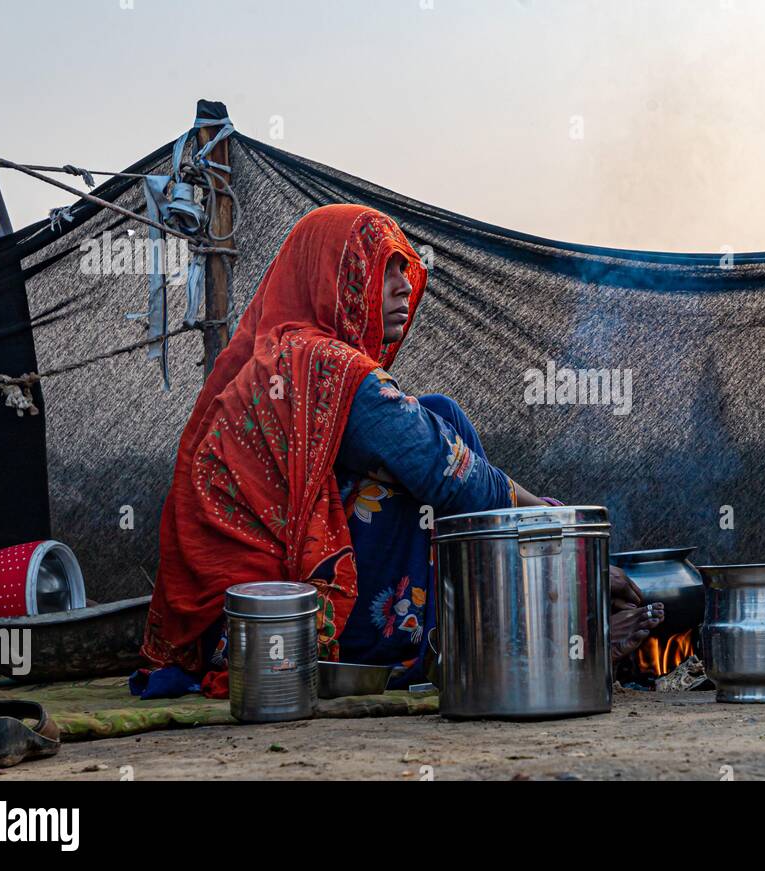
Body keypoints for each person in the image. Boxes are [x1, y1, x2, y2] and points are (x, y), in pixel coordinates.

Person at [142, 204, 662, 688]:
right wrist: (568, 543)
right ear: (334, 277)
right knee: (438, 457)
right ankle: (521, 637)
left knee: (437, 415)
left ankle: (530, 628)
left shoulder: (281, 358)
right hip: (271, 627)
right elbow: (449, 472)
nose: (404, 285)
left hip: (235, 619)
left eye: (402, 270)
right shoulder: (322, 364)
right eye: (382, 268)